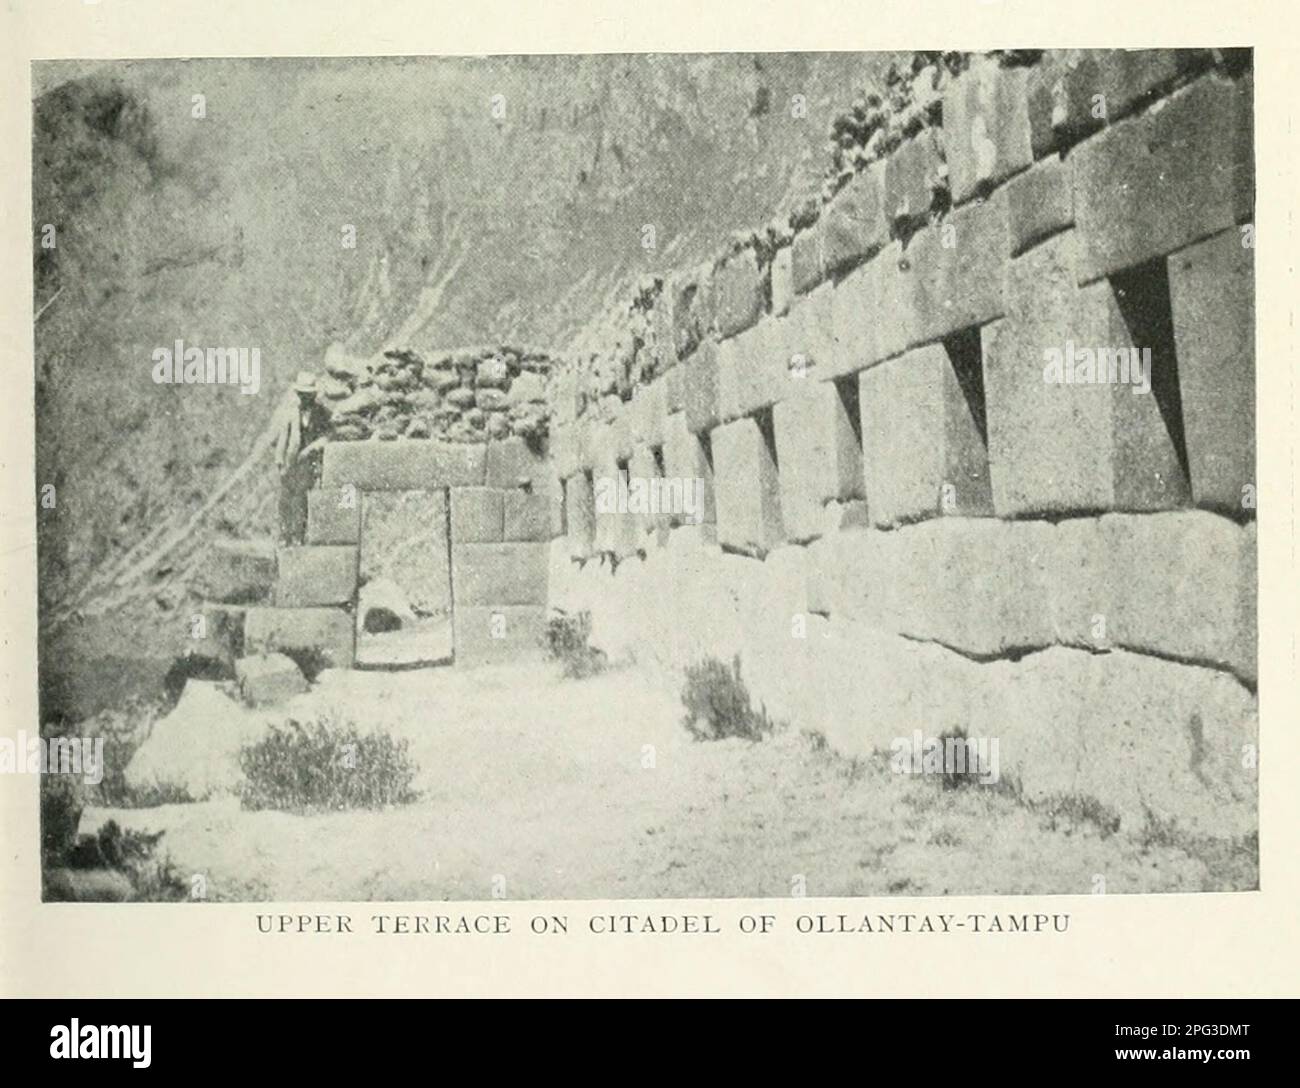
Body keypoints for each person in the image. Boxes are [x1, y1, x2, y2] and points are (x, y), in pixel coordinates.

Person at [275, 371, 332, 545]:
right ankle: (285, 536)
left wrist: (312, 448)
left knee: (301, 499)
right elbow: (283, 437)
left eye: (308, 395)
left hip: (308, 462)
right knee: (285, 499)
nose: (305, 398)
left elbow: (327, 435)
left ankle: (298, 536)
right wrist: (279, 459)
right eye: (302, 395)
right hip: (291, 461)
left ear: (313, 395)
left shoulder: (322, 413)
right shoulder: (292, 412)